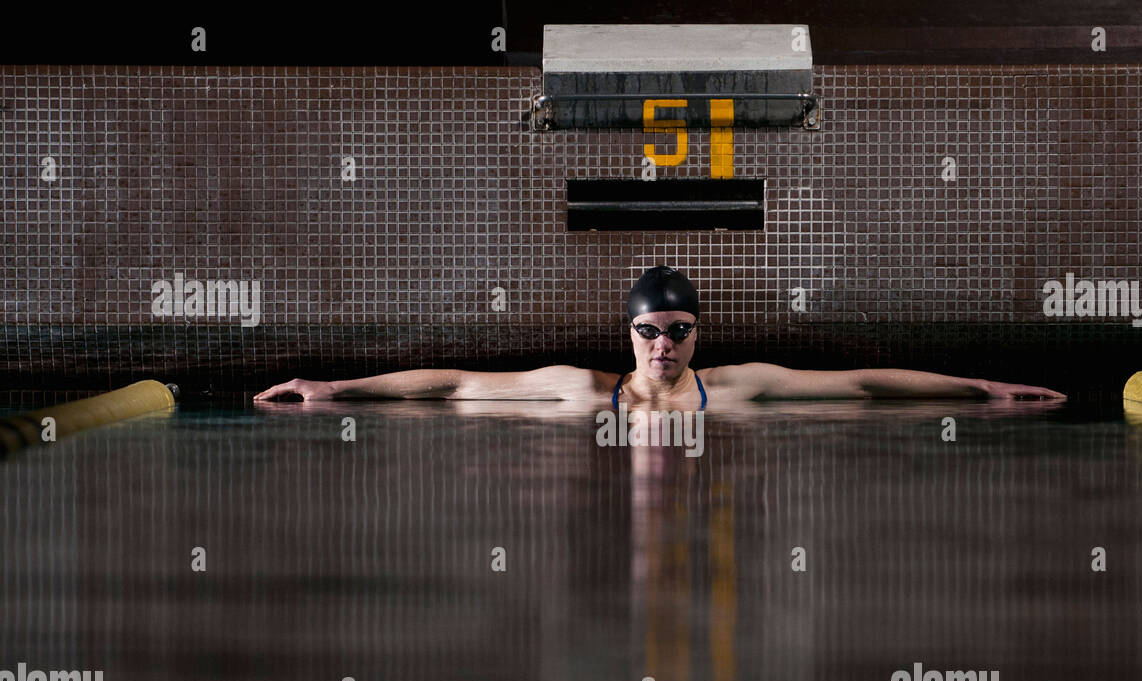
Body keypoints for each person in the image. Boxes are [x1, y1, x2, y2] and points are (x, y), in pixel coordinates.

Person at [253, 266, 1066, 405]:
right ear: (630, 332)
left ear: (697, 335)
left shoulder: (739, 388)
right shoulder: (581, 390)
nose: (663, 345)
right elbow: (455, 382)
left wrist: (977, 387)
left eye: (678, 330)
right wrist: (337, 389)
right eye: (651, 330)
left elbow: (860, 382)